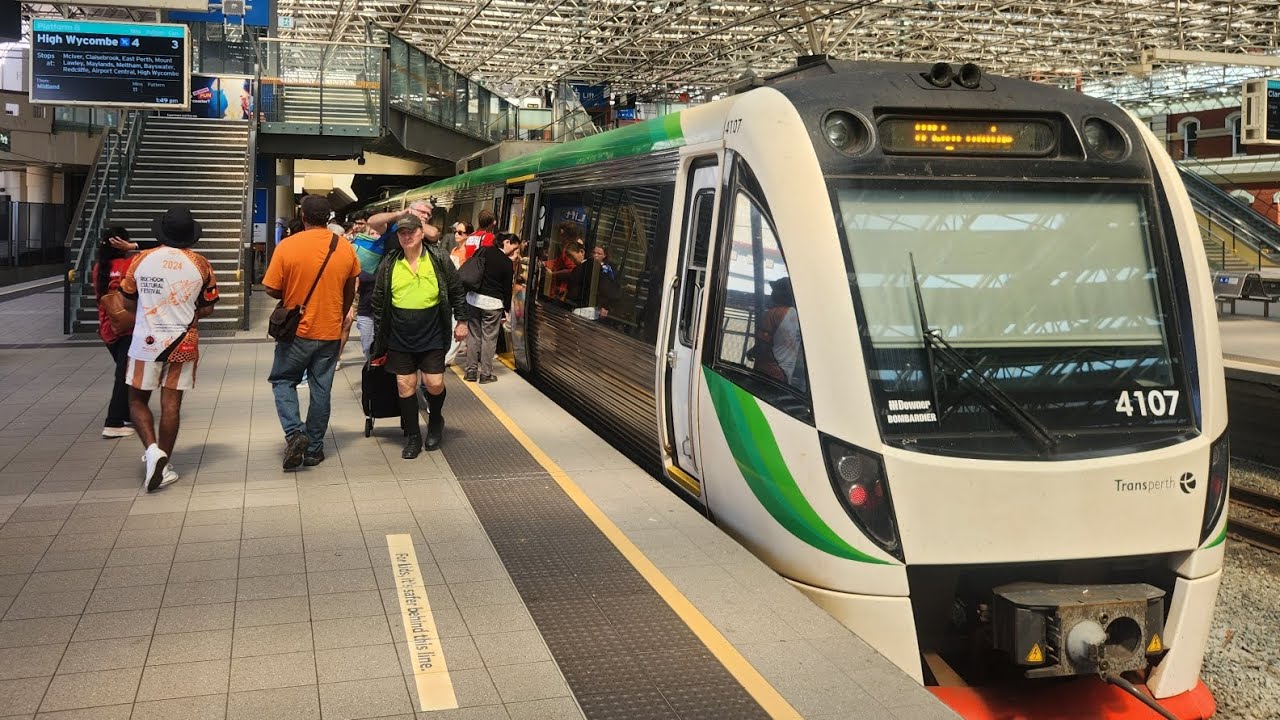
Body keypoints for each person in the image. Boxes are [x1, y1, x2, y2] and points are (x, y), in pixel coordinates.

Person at [119, 208, 220, 492]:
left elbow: (127, 302)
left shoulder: (141, 260)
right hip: (183, 342)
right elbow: (209, 307)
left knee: (137, 400)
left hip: (146, 341)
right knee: (171, 405)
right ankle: (163, 464)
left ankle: (152, 451)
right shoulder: (201, 264)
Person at [263, 195, 360, 470]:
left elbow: (271, 288)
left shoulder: (288, 246)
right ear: (328, 218)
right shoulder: (344, 247)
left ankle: (295, 434)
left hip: (297, 332)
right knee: (321, 389)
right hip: (329, 331)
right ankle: (314, 450)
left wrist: (293, 290)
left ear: (303, 217)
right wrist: (339, 315)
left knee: (283, 380)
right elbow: (350, 287)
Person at [369, 213, 468, 458]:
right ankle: (413, 436)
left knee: (434, 383)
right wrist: (380, 333)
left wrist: (462, 320)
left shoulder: (439, 258)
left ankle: (435, 421)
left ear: (421, 233)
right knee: (405, 385)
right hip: (399, 334)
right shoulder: (390, 262)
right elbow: (379, 299)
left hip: (432, 331)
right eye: (402, 233)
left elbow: (456, 289)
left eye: (411, 232)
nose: (407, 236)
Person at [93, 227, 140, 439]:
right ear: (123, 244)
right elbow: (160, 250)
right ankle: (113, 422)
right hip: (128, 327)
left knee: (125, 372)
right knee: (124, 374)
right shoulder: (130, 264)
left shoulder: (98, 268)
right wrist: (134, 247)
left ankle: (127, 414)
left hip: (107, 328)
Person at [463, 232, 520, 383]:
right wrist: (506, 309)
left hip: (474, 299)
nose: (514, 252)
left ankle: (470, 372)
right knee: (489, 339)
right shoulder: (507, 263)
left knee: (473, 335)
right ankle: (486, 374)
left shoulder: (483, 251)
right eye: (514, 248)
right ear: (506, 242)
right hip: (493, 305)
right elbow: (507, 289)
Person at [752, 277, 805, 390]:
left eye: (774, 290)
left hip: (766, 375)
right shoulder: (798, 316)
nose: (772, 293)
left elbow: (763, 346)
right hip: (785, 377)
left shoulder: (772, 314)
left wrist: (752, 351)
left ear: (781, 294)